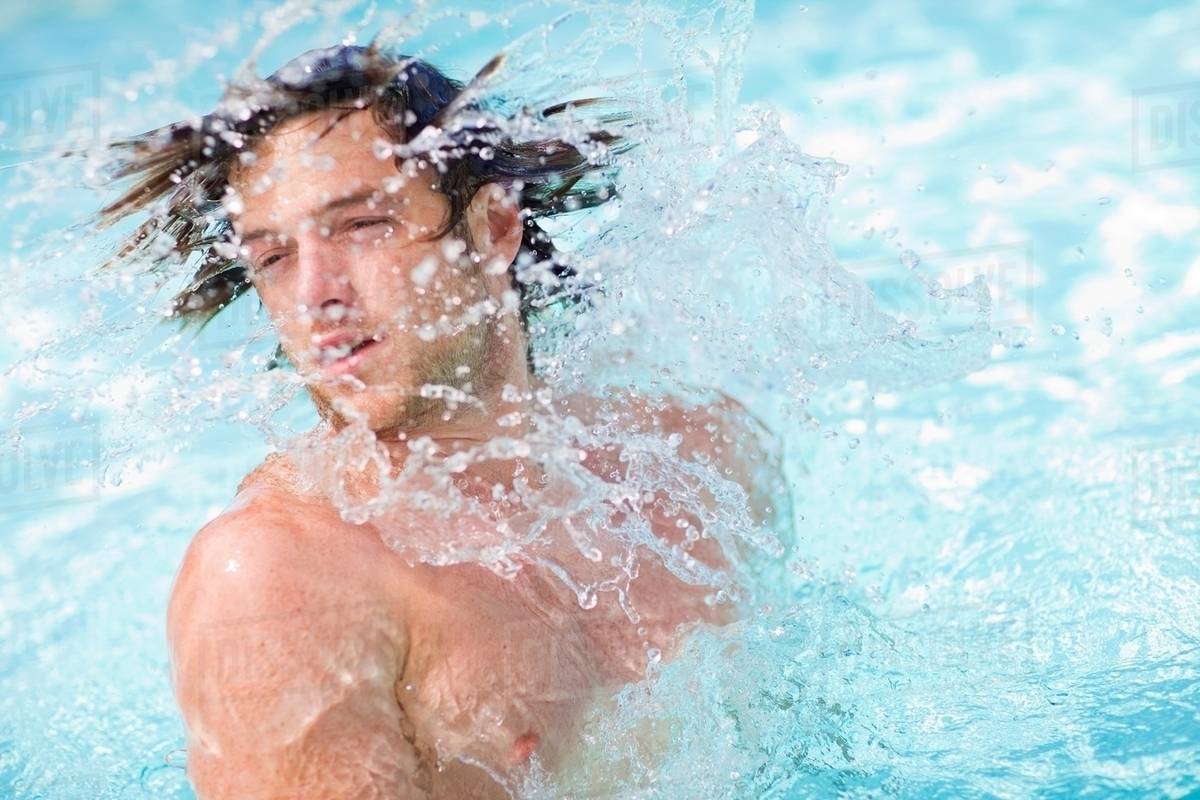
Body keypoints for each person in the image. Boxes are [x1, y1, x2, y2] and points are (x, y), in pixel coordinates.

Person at [97, 44, 782, 798]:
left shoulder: (692, 456)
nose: (316, 296)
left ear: (493, 227)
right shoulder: (280, 585)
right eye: (274, 258)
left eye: (362, 224)